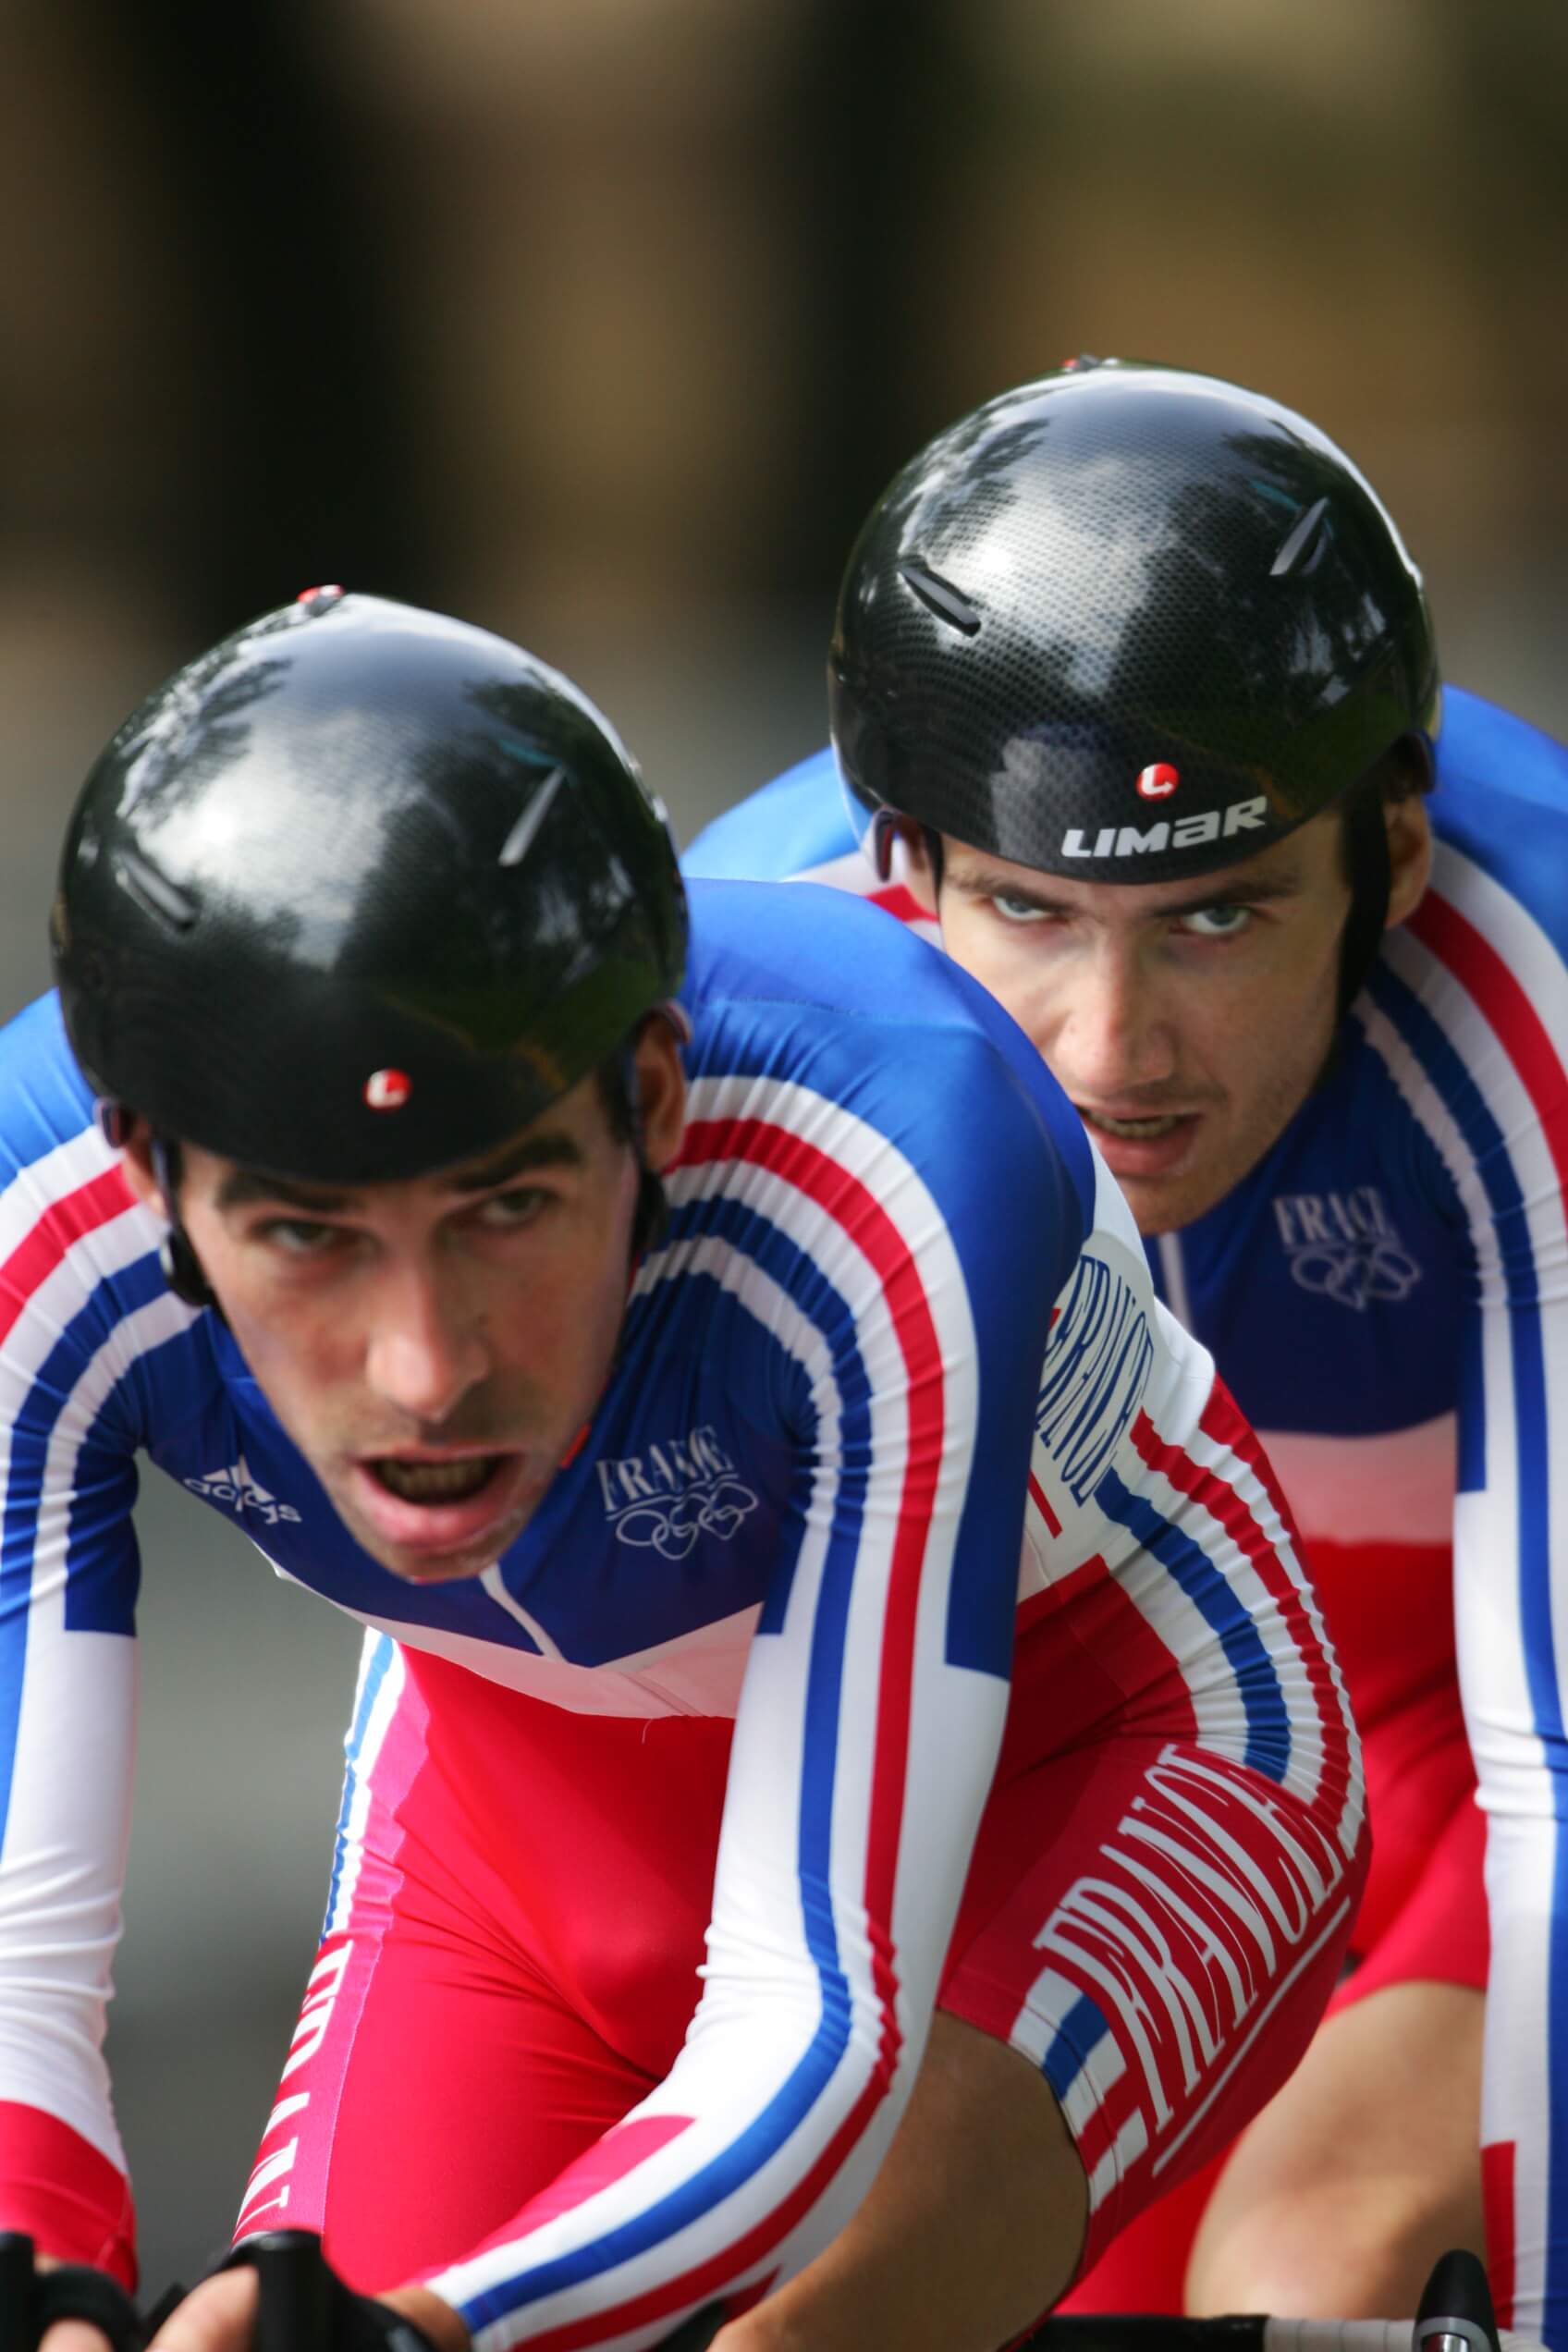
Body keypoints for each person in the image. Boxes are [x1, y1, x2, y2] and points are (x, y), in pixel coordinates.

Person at [0, 587, 1360, 2352]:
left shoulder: (880, 1146)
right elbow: (19, 1974)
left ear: (652, 1095)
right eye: (307, 1237)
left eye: (510, 1209)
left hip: (1102, 1741)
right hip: (508, 1840)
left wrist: (430, 2330)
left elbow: (815, 2023)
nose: (428, 1368)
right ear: (149, 1171)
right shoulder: (41, 1238)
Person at [686, 357, 1568, 2344]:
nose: (1110, 1050)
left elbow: (1549, 1773)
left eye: (1218, 918)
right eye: (1025, 911)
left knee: (1310, 2259)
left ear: (1393, 863)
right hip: (1124, 1718)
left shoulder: (1536, 983)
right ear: (901, 871)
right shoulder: (749, 991)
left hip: (1478, 1721)